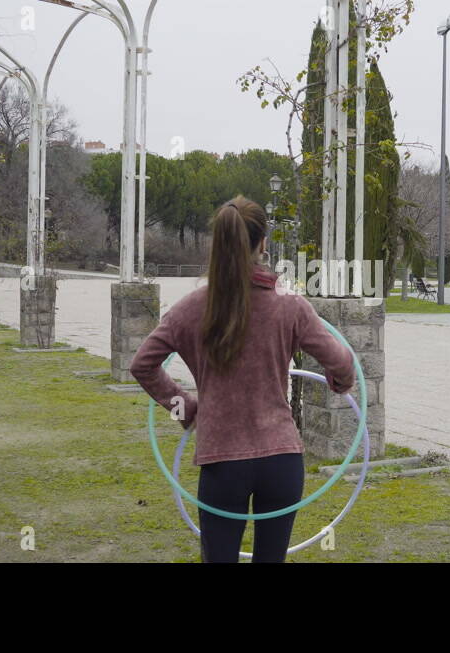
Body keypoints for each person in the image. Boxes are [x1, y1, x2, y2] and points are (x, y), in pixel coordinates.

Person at [129, 195, 356, 563]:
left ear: (217, 243)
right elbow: (342, 361)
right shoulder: (289, 304)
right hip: (280, 460)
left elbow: (143, 366)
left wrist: (184, 408)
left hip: (223, 464)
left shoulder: (189, 308)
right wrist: (339, 382)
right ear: (263, 242)